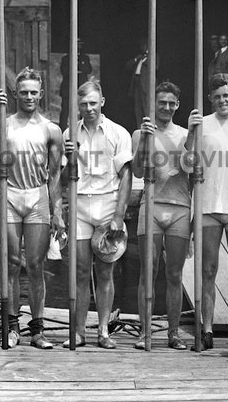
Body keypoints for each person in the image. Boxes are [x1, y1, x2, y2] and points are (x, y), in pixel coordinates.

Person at [0, 67, 64, 349]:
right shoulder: (5, 122)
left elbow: (55, 173)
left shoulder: (51, 129)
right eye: (24, 93)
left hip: (37, 198)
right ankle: (12, 328)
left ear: (41, 94)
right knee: (10, 265)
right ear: (15, 95)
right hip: (9, 195)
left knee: (35, 266)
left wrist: (57, 211)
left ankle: (38, 330)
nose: (29, 97)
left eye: (34, 92)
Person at [184, 73, 228, 351]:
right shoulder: (203, 125)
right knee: (208, 270)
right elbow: (188, 164)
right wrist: (191, 133)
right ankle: (208, 330)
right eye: (216, 97)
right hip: (209, 205)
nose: (222, 100)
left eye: (226, 95)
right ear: (210, 100)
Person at [61, 80, 132, 349]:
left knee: (105, 272)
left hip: (106, 205)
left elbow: (126, 177)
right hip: (80, 206)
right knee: (79, 272)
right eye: (83, 104)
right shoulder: (71, 133)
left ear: (102, 102)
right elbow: (65, 177)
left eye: (93, 103)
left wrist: (118, 215)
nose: (88, 108)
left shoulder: (118, 133)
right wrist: (69, 157)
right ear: (78, 106)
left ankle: (103, 331)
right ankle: (78, 331)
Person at [131, 81, 191, 350]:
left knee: (175, 274)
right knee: (148, 272)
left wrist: (194, 139)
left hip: (179, 207)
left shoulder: (186, 134)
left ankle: (174, 333)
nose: (166, 107)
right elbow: (136, 171)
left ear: (177, 105)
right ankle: (145, 332)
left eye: (171, 103)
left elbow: (192, 169)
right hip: (151, 206)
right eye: (161, 103)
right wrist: (145, 138)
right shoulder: (140, 133)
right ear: (153, 104)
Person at [59, 38, 92, 130]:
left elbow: (89, 70)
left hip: (82, 86)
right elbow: (63, 71)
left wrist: (80, 64)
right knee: (65, 109)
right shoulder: (65, 58)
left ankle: (83, 128)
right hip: (68, 86)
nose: (78, 46)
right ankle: (62, 129)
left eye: (79, 44)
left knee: (84, 107)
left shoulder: (85, 58)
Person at [126, 39, 150, 129]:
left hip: (146, 86)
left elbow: (156, 66)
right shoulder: (139, 57)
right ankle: (139, 129)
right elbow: (128, 66)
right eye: (141, 46)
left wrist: (145, 60)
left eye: (144, 45)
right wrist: (137, 59)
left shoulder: (153, 56)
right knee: (138, 108)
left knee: (146, 108)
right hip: (137, 85)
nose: (142, 47)